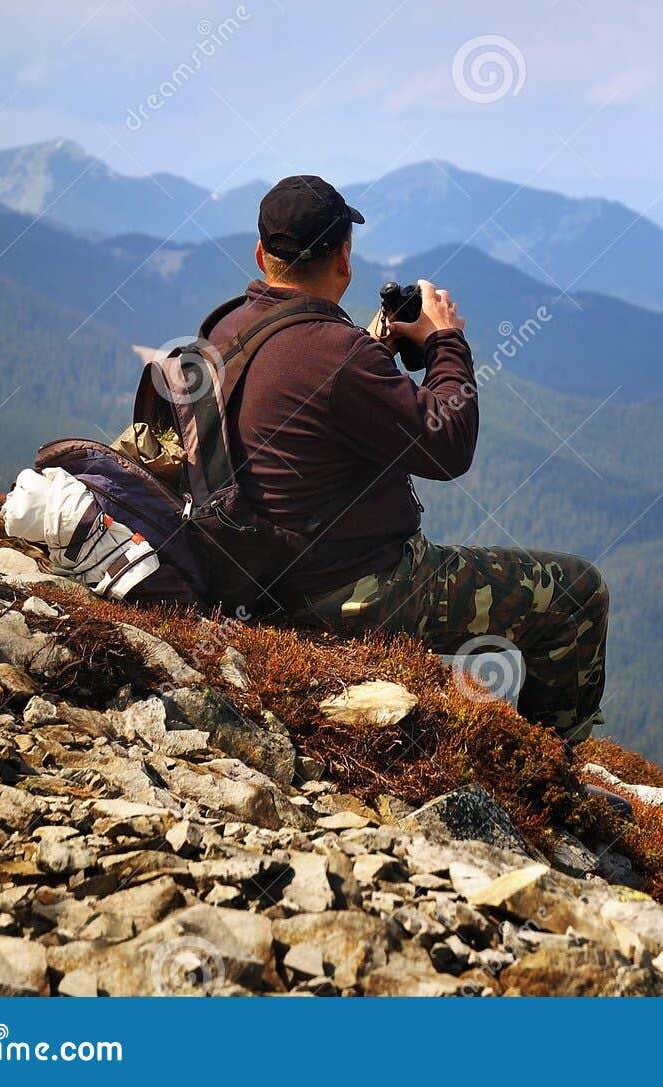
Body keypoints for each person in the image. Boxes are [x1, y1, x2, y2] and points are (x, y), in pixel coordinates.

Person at [213, 175, 608, 745]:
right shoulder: (336, 353)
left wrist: (374, 353)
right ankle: (554, 769)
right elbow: (448, 447)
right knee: (577, 594)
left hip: (258, 572)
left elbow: (305, 401)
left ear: (260, 253)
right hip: (346, 588)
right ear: (345, 259)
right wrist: (446, 341)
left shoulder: (227, 326)